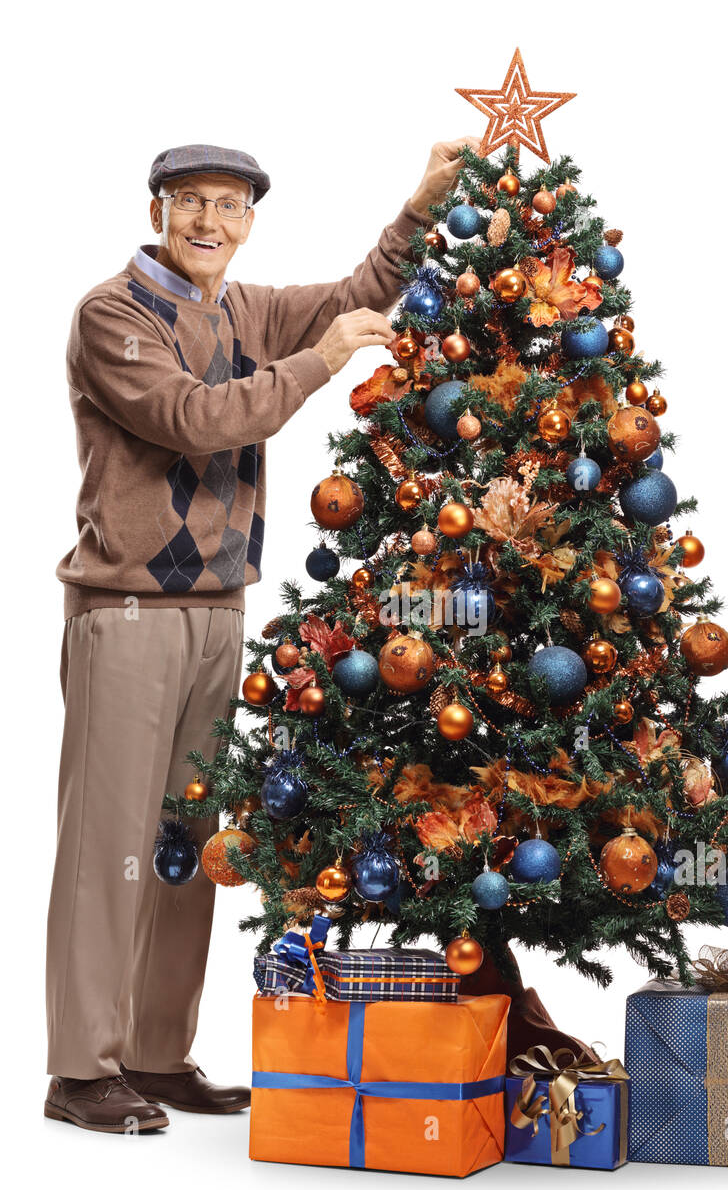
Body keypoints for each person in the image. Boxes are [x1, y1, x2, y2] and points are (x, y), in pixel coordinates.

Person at [46, 137, 479, 1134]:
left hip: (220, 608)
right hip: (128, 613)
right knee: (108, 846)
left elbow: (356, 293)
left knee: (185, 843)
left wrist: (419, 203)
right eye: (191, 202)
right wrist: (321, 366)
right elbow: (196, 418)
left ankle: (154, 1054)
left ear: (248, 221)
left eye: (230, 207)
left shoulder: (243, 308)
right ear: (157, 209)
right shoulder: (112, 315)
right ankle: (80, 1067)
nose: (209, 222)